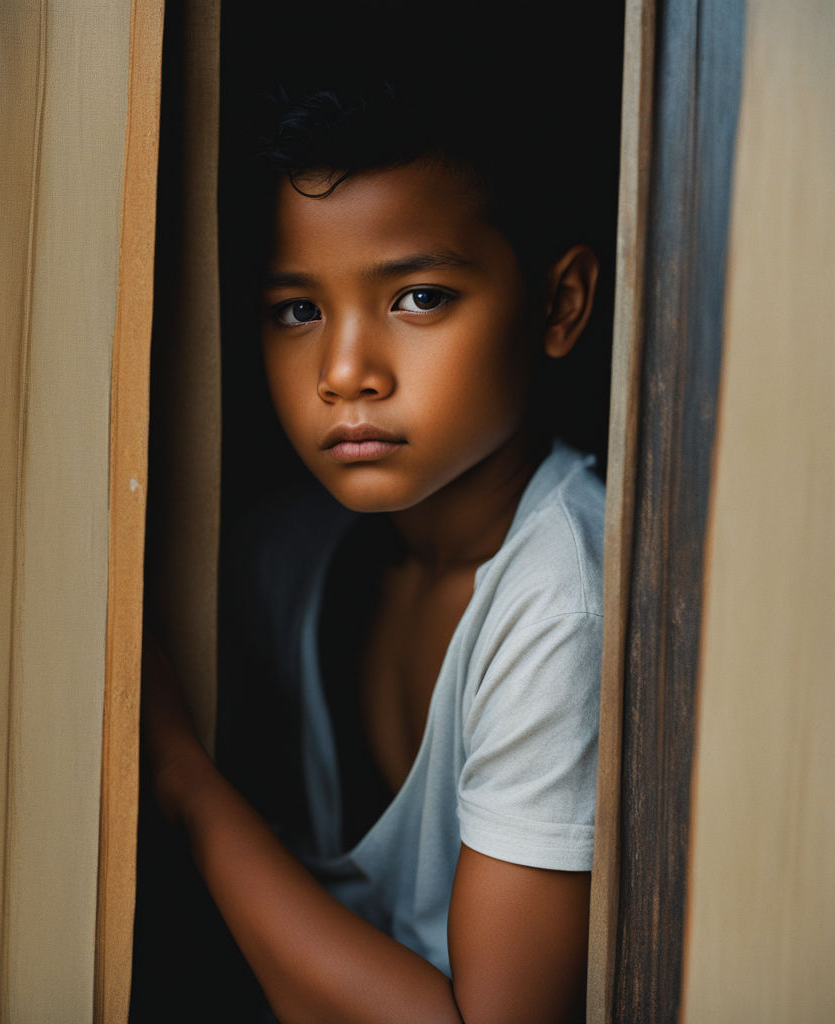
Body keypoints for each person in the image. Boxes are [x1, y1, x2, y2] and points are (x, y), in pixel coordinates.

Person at [145, 76, 607, 1024]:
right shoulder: (283, 555)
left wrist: (186, 783)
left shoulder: (562, 601)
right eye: (298, 311)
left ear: (559, 306)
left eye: (419, 297)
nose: (345, 373)